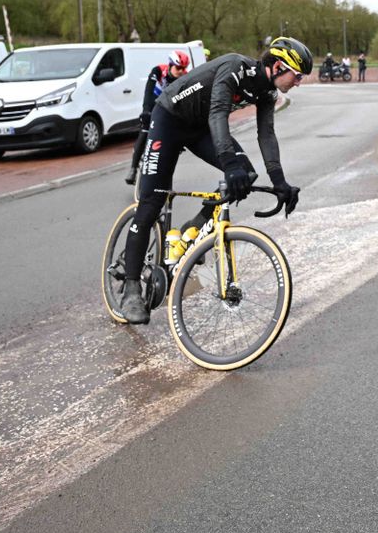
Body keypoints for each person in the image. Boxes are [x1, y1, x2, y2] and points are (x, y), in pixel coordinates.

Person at [116, 38, 312, 325]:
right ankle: (131, 289)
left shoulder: (267, 91)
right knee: (151, 203)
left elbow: (266, 134)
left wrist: (280, 181)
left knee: (245, 175)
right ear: (279, 66)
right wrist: (228, 163)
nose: (298, 82)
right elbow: (218, 112)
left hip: (199, 129)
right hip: (169, 120)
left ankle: (193, 228)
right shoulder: (234, 67)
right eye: (297, 75)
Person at [123, 48, 192, 185]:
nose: (181, 71)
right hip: (154, 101)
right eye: (178, 68)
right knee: (145, 130)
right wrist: (146, 111)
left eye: (183, 68)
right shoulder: (158, 71)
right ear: (171, 65)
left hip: (168, 105)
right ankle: (133, 168)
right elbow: (148, 91)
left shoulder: (185, 77)